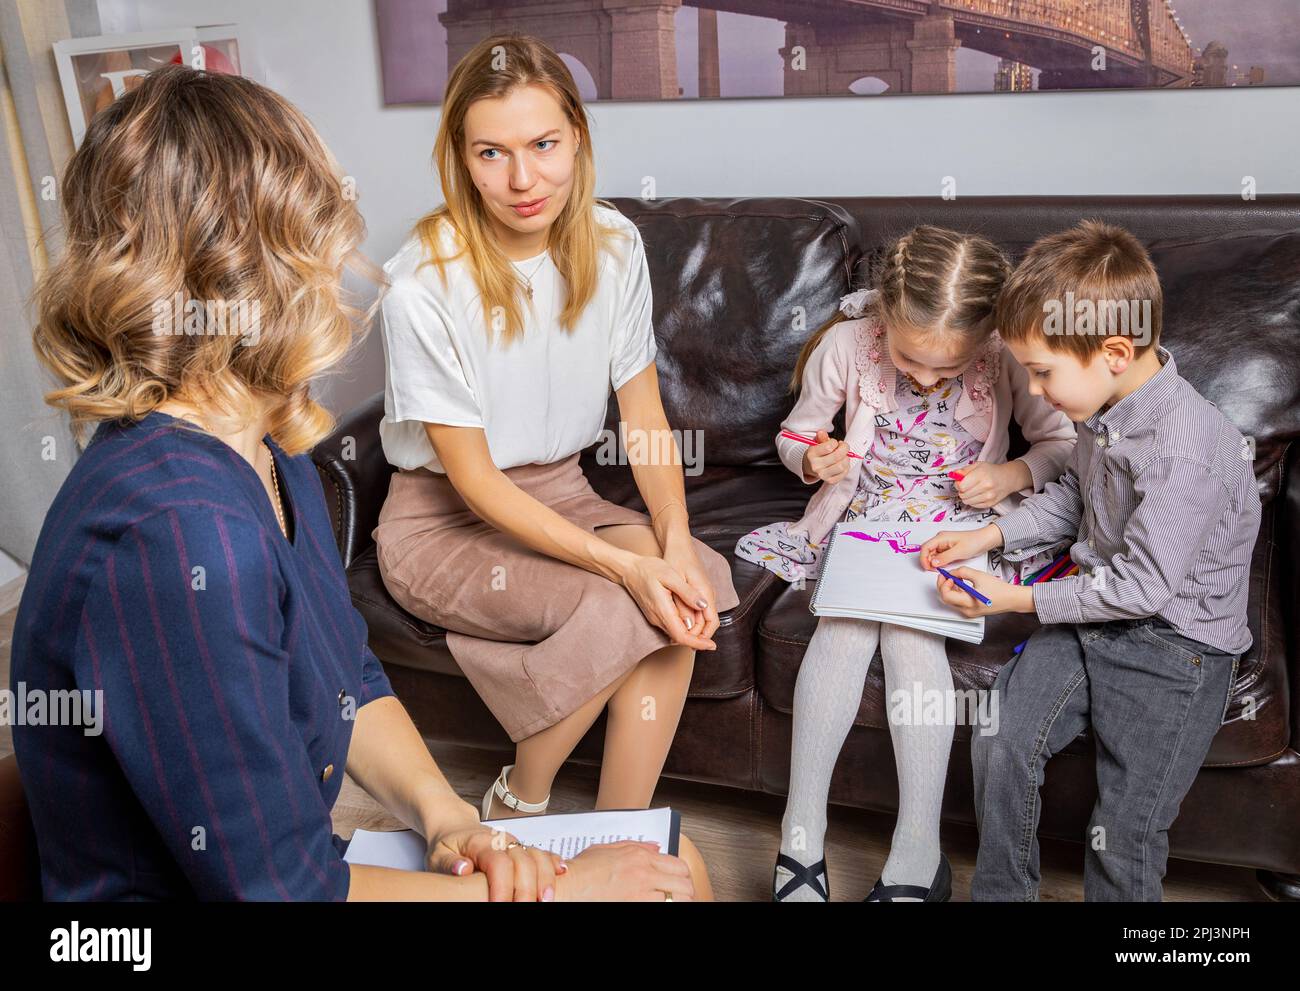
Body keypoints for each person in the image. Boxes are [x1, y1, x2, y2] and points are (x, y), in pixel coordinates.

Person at [13, 63, 699, 902]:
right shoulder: (181, 536)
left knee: (668, 871)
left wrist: (447, 816)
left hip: (304, 868)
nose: (344, 262)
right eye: (320, 233)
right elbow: (285, 891)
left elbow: (349, 676)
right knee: (667, 882)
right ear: (252, 271)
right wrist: (571, 891)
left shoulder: (273, 452)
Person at [372, 33, 740, 828]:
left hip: (563, 494)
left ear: (577, 135)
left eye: (543, 144)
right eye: (491, 153)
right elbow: (473, 481)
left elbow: (644, 416)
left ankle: (616, 836)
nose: (522, 179)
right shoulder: (422, 282)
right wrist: (625, 565)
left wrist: (670, 541)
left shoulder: (612, 244)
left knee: (682, 582)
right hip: (444, 523)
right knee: (630, 602)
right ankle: (521, 796)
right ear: (461, 159)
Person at [920, 220, 1260, 901]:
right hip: (1092, 612)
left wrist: (1013, 599)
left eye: (1042, 373)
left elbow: (1139, 587)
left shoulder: (1185, 448)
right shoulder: (1103, 404)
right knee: (999, 737)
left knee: (1126, 830)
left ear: (1112, 350)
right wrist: (991, 537)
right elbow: (1079, 497)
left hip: (1176, 647)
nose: (1036, 393)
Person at [738, 227, 1076, 901]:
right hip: (866, 518)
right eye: (909, 360)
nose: (923, 380)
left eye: (946, 373)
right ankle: (799, 836)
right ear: (885, 319)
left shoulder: (1005, 350)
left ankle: (917, 853)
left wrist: (1011, 473)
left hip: (959, 528)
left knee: (911, 631)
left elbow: (1062, 444)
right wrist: (812, 458)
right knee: (840, 627)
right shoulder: (846, 344)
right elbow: (795, 432)